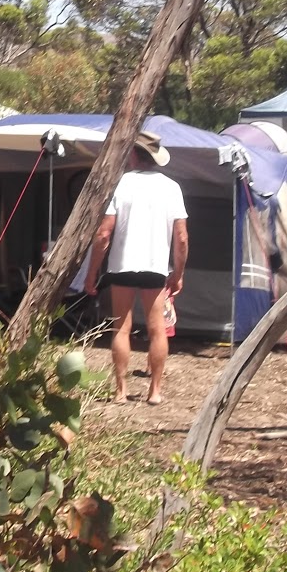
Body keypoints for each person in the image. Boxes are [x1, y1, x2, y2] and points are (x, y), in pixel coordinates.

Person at [84, 132, 188, 405]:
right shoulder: (172, 188)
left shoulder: (121, 185)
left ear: (133, 155)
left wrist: (92, 271)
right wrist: (178, 274)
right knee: (157, 330)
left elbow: (104, 234)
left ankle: (121, 392)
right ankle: (154, 391)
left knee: (121, 329)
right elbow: (181, 238)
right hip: (156, 268)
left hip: (122, 266)